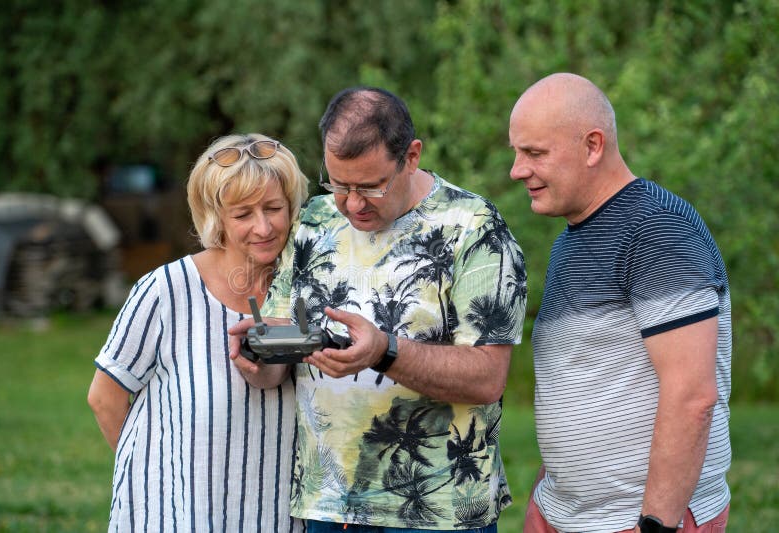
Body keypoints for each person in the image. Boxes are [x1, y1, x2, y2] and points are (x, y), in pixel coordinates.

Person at [229, 87, 527, 532]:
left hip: (439, 510)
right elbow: (282, 358)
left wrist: (385, 351)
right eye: (339, 184)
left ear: (411, 156)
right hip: (328, 504)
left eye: (370, 186)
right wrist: (260, 355)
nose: (352, 204)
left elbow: (487, 378)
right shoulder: (314, 220)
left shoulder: (474, 228)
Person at [508, 73, 732, 533]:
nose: (516, 170)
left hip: (639, 520)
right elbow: (581, 380)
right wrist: (546, 497)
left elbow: (693, 395)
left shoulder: (658, 231)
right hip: (564, 513)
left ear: (593, 146)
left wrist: (657, 524)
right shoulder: (572, 240)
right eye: (516, 152)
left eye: (534, 153)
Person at [87, 133, 308, 532]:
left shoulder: (307, 291)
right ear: (215, 217)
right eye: (243, 214)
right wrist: (155, 488)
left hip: (275, 518)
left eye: (274, 208)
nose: (263, 227)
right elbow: (105, 398)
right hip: (182, 518)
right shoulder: (165, 291)